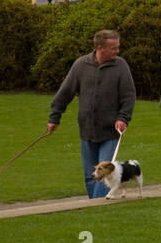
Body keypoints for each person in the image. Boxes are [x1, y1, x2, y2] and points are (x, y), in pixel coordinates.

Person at [47, 29, 136, 198]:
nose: (118, 51)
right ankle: (95, 209)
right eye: (114, 48)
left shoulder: (121, 66)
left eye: (118, 47)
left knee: (104, 175)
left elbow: (129, 95)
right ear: (100, 48)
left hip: (111, 131)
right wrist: (54, 117)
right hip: (87, 131)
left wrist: (123, 118)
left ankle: (99, 209)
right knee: (92, 176)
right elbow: (65, 92)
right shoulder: (81, 65)